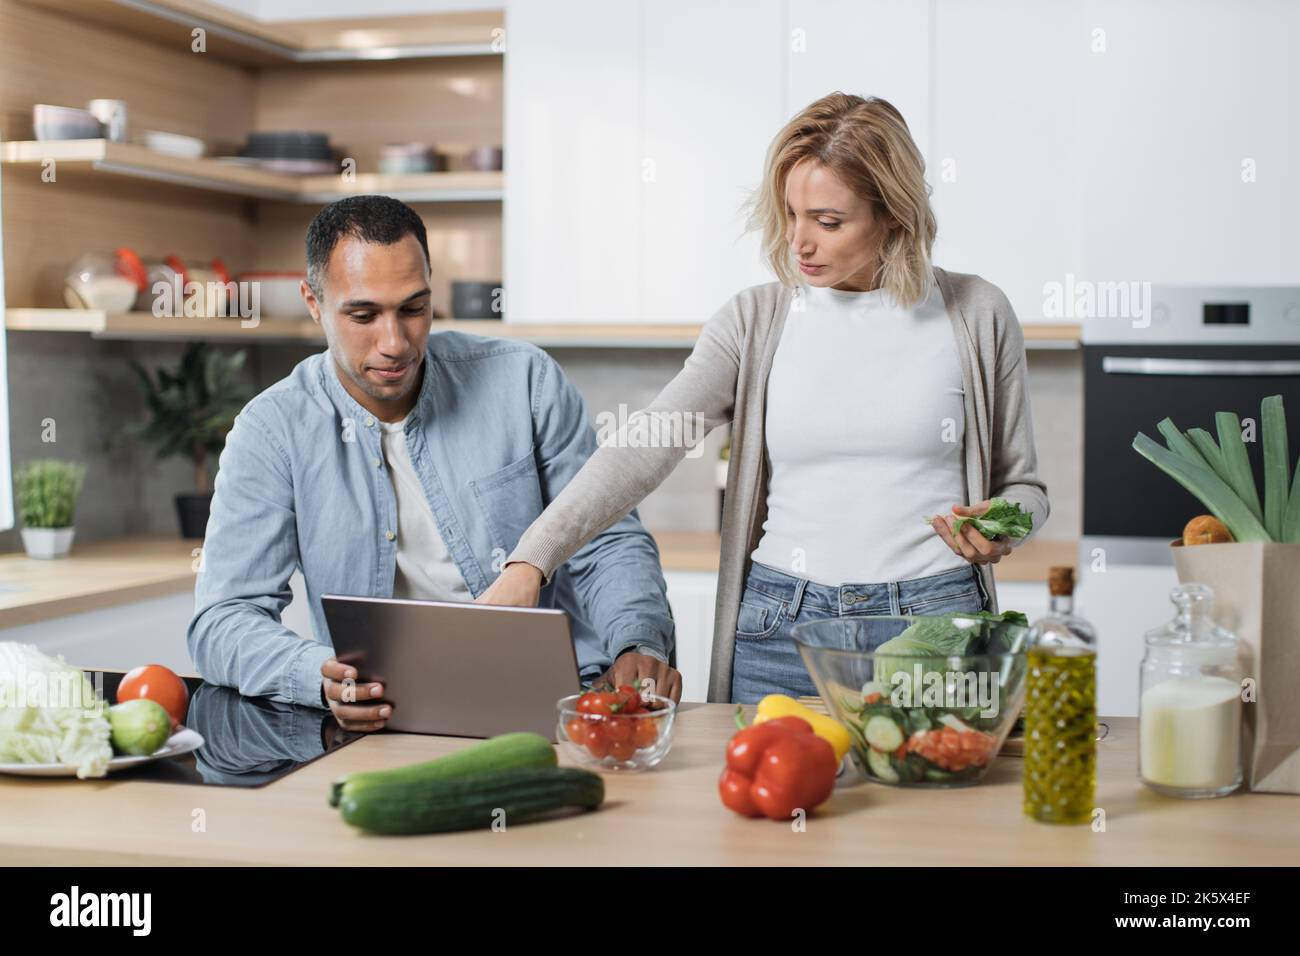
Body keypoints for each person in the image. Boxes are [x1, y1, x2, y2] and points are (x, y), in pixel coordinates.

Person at [479, 92, 1050, 703]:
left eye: (828, 222)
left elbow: (1026, 489)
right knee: (769, 795)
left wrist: (1002, 526)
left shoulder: (976, 313)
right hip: (782, 628)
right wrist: (531, 563)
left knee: (939, 801)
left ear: (894, 215)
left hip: (935, 620)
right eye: (790, 213)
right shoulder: (756, 320)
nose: (798, 241)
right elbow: (644, 445)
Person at [188, 195, 681, 731]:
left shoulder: (525, 382)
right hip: (379, 719)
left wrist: (638, 638)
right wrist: (315, 675)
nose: (395, 343)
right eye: (363, 315)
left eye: (413, 308)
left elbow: (606, 540)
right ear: (313, 302)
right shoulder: (273, 430)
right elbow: (222, 619)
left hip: (562, 702)